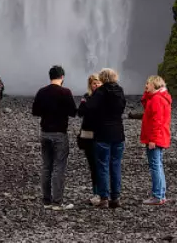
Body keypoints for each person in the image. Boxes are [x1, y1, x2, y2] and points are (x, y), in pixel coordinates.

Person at [31, 65, 77, 210]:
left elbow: (35, 111)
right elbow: (73, 112)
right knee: (59, 168)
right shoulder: (65, 92)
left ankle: (46, 201)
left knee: (46, 167)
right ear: (62, 77)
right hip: (59, 134)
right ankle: (57, 203)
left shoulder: (42, 92)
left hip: (45, 133)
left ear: (50, 76)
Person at [88, 67, 127, 209]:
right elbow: (122, 107)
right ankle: (116, 197)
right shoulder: (120, 90)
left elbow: (90, 108)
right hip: (118, 133)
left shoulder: (100, 92)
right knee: (116, 165)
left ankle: (104, 198)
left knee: (103, 165)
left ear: (103, 78)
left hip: (103, 133)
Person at [140, 75, 172, 206]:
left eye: (148, 84)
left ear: (154, 85)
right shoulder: (158, 98)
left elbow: (157, 121)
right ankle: (161, 194)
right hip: (161, 136)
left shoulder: (157, 100)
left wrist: (152, 139)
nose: (146, 86)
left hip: (155, 138)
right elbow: (145, 104)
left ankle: (158, 195)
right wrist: (147, 93)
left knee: (155, 166)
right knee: (158, 165)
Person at [76, 74, 102, 204]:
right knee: (93, 166)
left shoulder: (103, 98)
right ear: (90, 85)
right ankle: (96, 193)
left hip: (101, 135)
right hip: (88, 136)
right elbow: (80, 112)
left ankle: (103, 194)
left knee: (101, 165)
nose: (96, 85)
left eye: (98, 83)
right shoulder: (86, 97)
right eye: (94, 83)